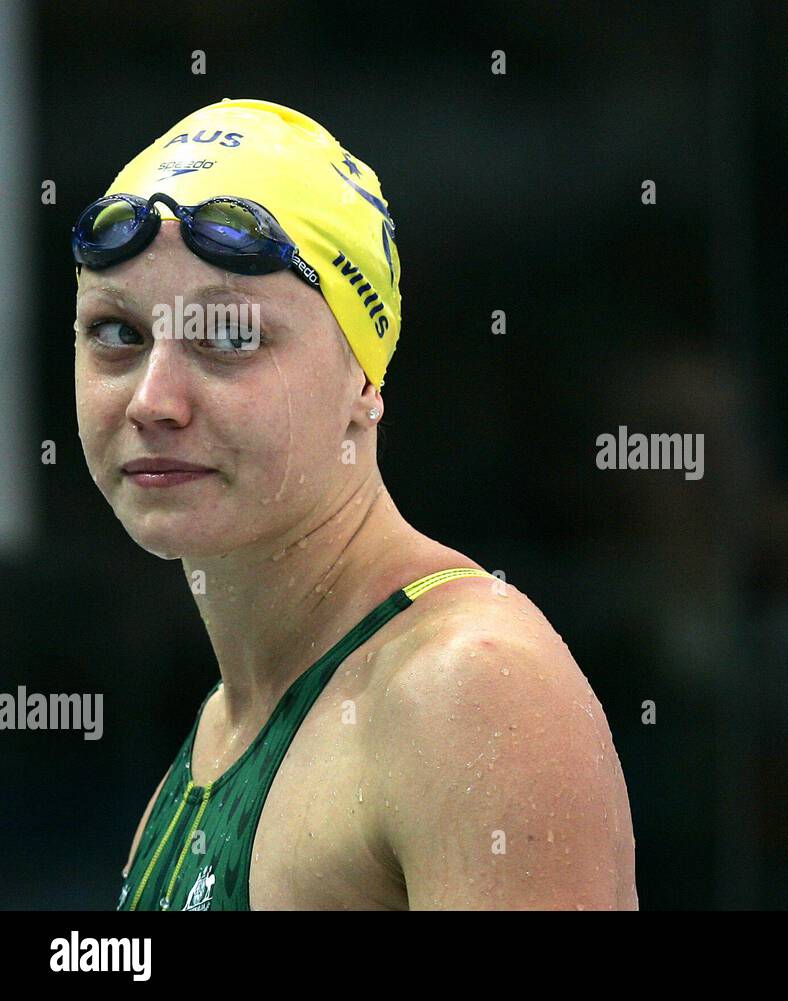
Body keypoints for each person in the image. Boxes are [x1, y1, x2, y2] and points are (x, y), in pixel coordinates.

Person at [72, 98, 637, 910]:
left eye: (229, 336)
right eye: (118, 333)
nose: (153, 400)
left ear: (362, 379)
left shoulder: (470, 689)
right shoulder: (210, 747)